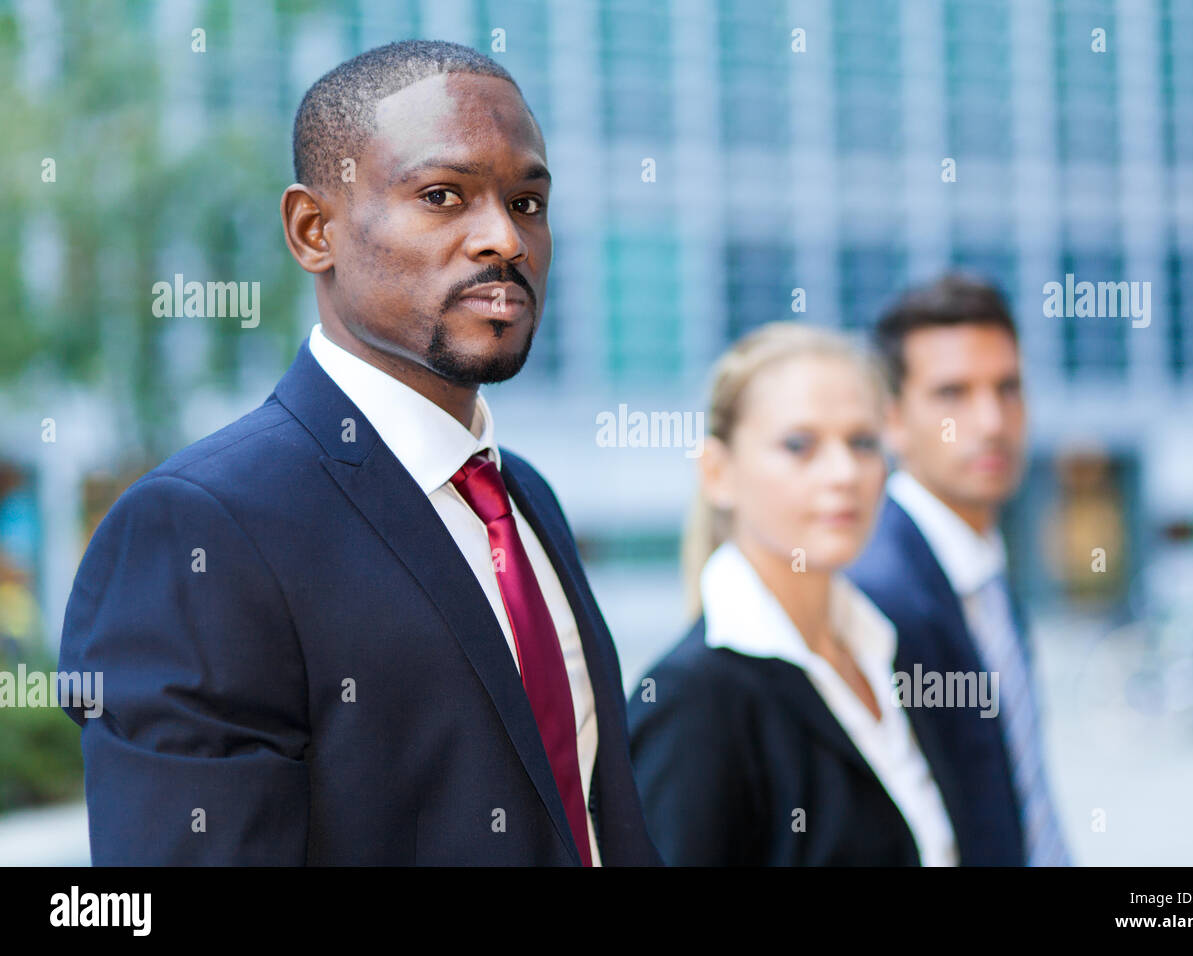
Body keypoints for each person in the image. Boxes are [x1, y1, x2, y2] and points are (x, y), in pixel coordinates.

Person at [57, 40, 661, 866]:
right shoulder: (202, 528)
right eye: (444, 195)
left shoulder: (528, 499)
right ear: (314, 231)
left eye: (527, 203)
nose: (505, 241)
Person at [627, 322, 961, 865]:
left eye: (863, 442)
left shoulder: (890, 648)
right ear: (718, 472)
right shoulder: (695, 703)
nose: (844, 473)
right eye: (799, 445)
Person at [844, 272, 1071, 866]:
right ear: (892, 420)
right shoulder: (877, 593)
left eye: (1008, 388)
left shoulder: (987, 570)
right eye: (953, 394)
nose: (992, 421)